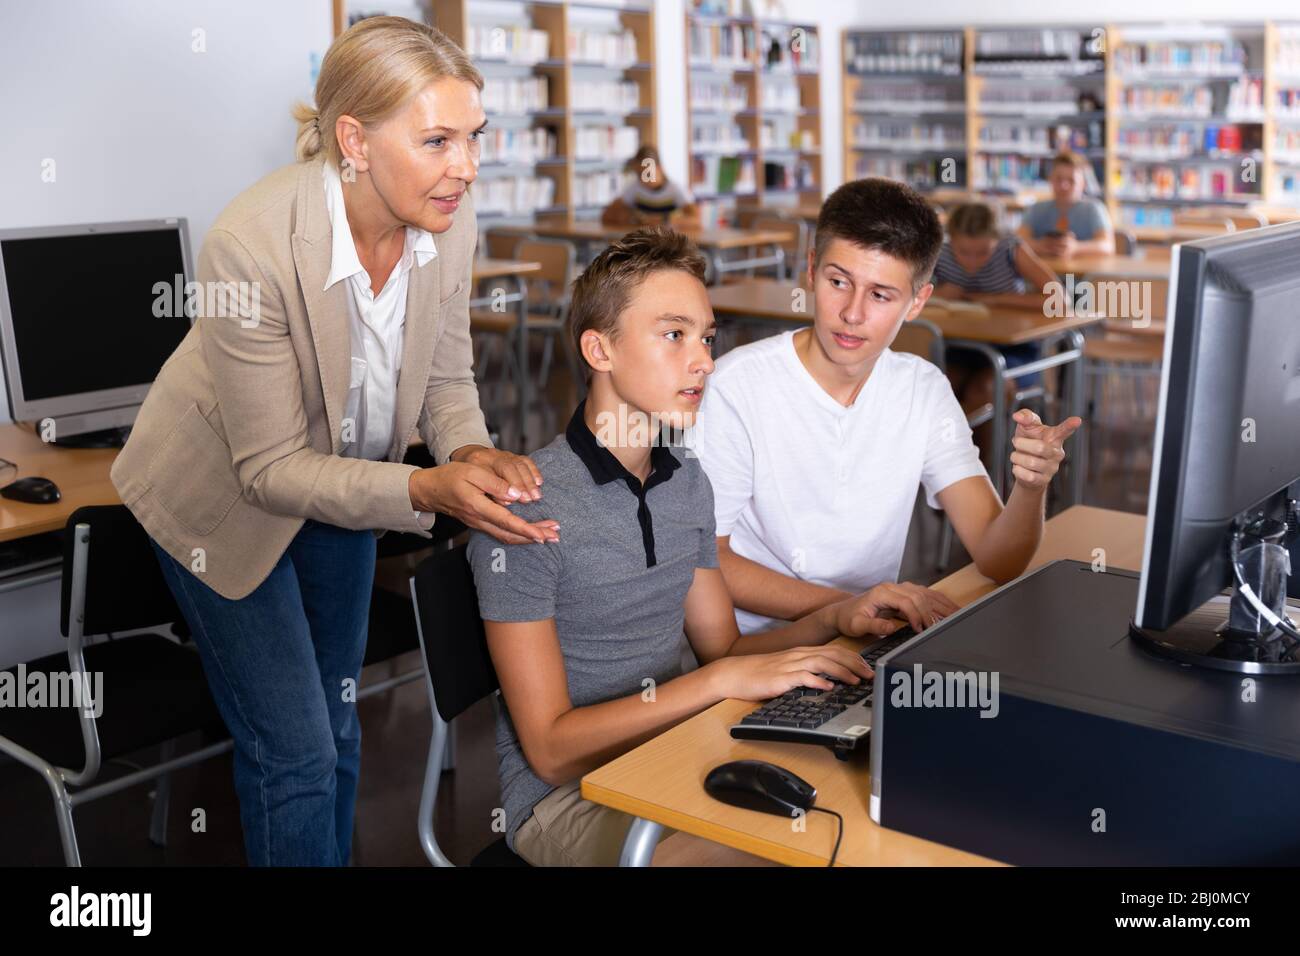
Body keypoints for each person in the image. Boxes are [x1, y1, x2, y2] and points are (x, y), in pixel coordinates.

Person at [109, 17, 556, 866]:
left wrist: (466, 451)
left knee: (337, 724)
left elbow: (446, 380)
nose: (466, 166)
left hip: (348, 487)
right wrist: (425, 489)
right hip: (223, 503)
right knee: (296, 752)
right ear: (354, 139)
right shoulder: (252, 246)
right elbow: (272, 469)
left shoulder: (446, 220)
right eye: (436, 141)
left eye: (472, 138)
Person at [466, 227, 945, 865]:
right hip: (566, 798)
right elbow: (552, 750)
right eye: (674, 334)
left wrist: (835, 616)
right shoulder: (526, 510)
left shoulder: (685, 480)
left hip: (681, 748)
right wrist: (718, 682)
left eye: (707, 337)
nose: (705, 361)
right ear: (599, 349)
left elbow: (725, 648)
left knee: (864, 820)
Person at [692, 178, 1082, 636]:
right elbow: (706, 561)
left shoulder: (923, 389)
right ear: (812, 270)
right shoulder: (735, 388)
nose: (852, 313)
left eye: (880, 295)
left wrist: (1030, 487)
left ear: (917, 301)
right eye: (839, 282)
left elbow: (1000, 560)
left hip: (867, 643)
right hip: (768, 651)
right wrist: (849, 607)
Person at [931, 200, 1059, 408]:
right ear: (951, 240)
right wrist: (938, 293)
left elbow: (1058, 299)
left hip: (1012, 348)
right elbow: (905, 293)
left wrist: (994, 298)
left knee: (984, 389)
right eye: (963, 252)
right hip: (960, 345)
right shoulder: (940, 251)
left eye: (982, 253)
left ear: (997, 240)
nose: (972, 261)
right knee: (939, 386)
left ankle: (987, 442)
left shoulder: (1010, 249)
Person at [1019, 151, 1115, 257]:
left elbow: (1108, 246)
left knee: (1069, 275)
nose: (1064, 186)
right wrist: (1040, 246)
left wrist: (1077, 248)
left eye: (1071, 181)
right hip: (1045, 271)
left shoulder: (1094, 209)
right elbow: (1017, 243)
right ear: (1050, 180)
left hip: (1077, 272)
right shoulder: (1036, 209)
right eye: (1058, 179)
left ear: (1083, 184)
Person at [601, 145, 700, 228]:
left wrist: (663, 220)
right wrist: (631, 218)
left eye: (648, 173)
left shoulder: (675, 189)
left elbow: (696, 220)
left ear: (659, 168)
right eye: (639, 174)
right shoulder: (635, 188)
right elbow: (607, 216)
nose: (644, 179)